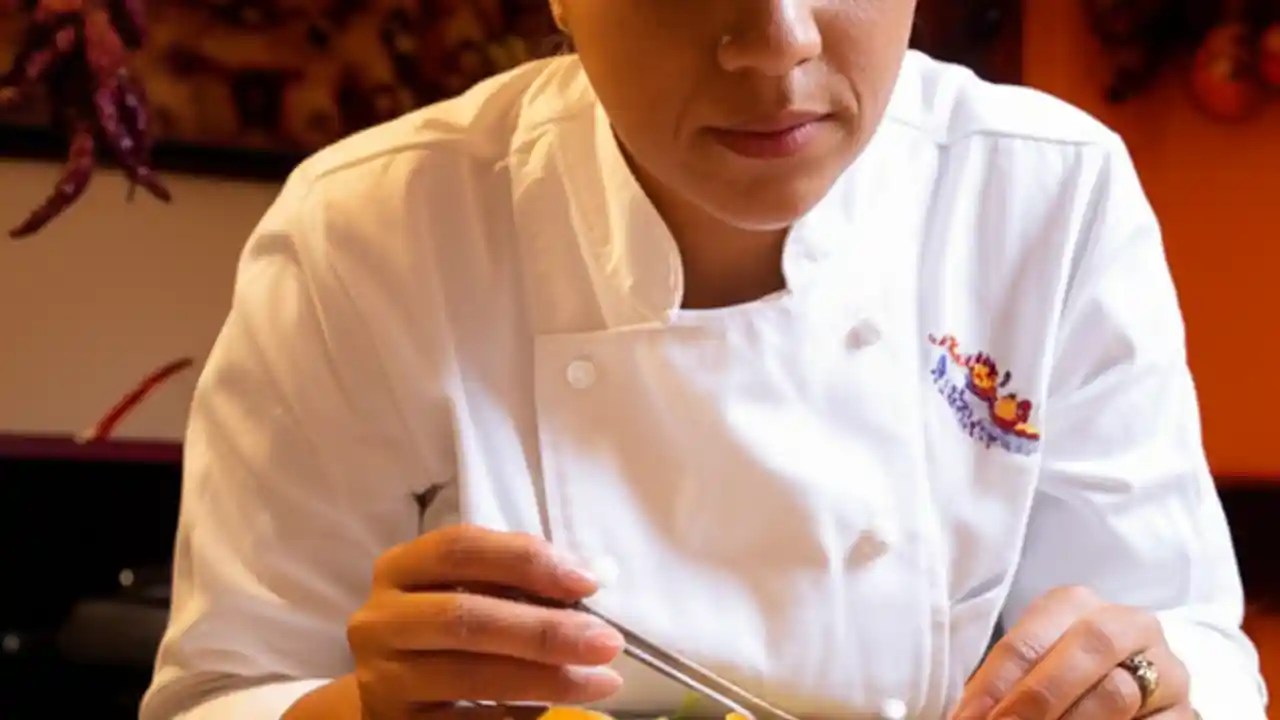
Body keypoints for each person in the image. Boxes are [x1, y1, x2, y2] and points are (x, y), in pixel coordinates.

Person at [140, 1, 1268, 719]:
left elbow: (1200, 659)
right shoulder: (368, 231)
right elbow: (219, 700)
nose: (778, 40)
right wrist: (368, 714)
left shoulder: (1041, 193)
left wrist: (1141, 681)